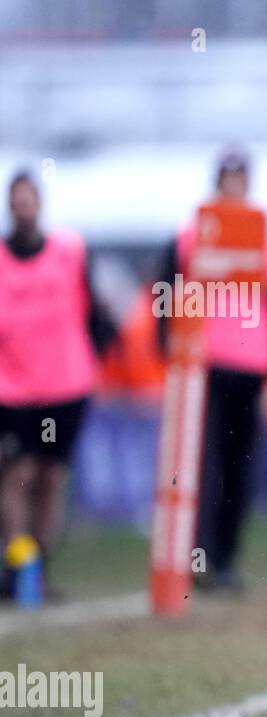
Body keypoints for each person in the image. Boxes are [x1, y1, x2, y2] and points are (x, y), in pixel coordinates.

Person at [155, 148, 267, 593]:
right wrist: (170, 354)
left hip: (253, 362)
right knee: (202, 461)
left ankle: (225, 560)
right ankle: (197, 556)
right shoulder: (191, 234)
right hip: (205, 360)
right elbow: (166, 292)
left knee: (240, 464)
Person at [0, 170, 115, 599]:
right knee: (19, 474)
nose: (24, 207)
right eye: (17, 199)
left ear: (40, 204)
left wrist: (100, 358)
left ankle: (37, 572)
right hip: (12, 389)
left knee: (51, 478)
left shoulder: (69, 253)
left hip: (65, 386)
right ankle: (18, 563)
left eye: (30, 199)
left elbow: (95, 313)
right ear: (10, 206)